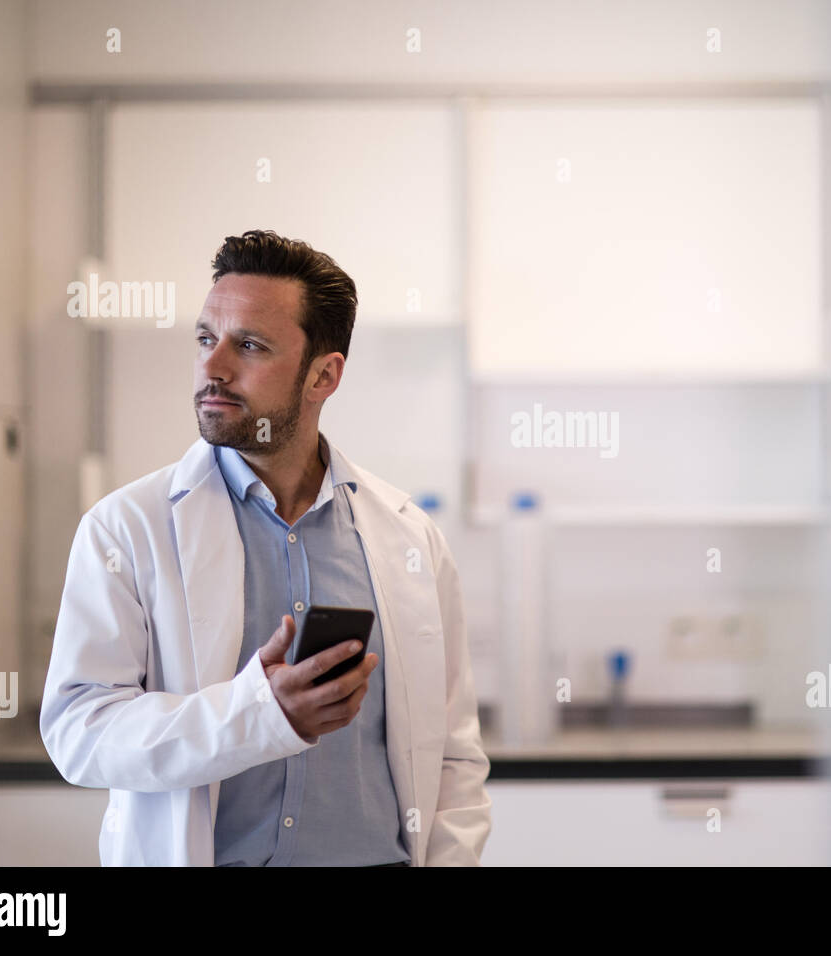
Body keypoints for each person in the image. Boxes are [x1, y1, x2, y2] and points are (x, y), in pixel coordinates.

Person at [40, 229, 492, 866]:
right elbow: (80, 733)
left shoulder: (409, 536)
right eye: (205, 339)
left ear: (323, 375)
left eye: (249, 345)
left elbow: (453, 754)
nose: (213, 367)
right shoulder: (126, 528)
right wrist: (257, 713)